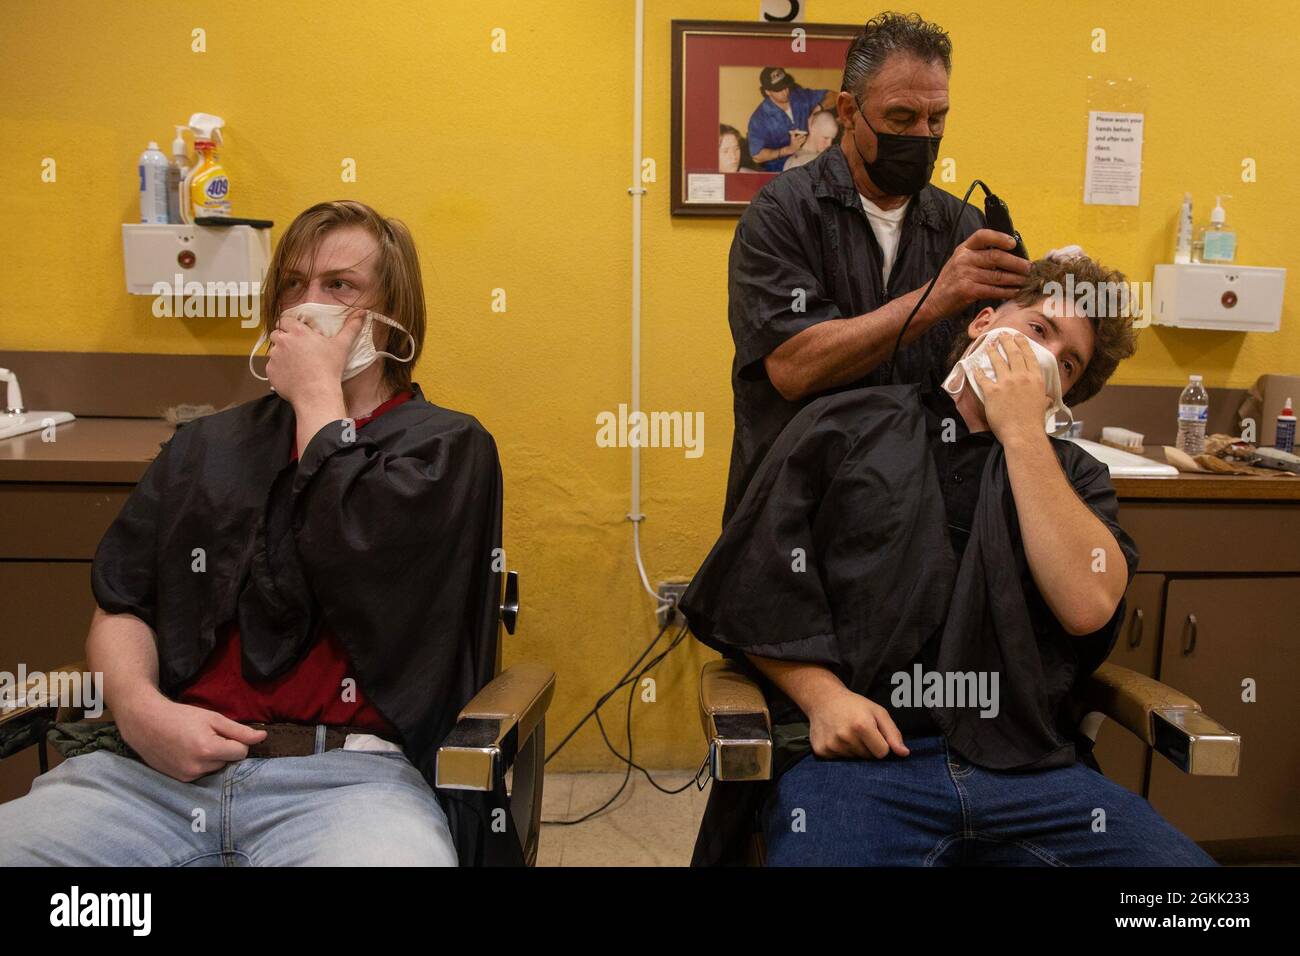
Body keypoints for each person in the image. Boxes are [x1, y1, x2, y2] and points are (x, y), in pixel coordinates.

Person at [0, 200, 502, 866]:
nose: (304, 305)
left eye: (338, 286)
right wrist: (139, 709)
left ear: (393, 316)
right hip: (155, 777)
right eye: (291, 285)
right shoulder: (209, 445)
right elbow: (124, 605)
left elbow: (355, 549)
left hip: (349, 784)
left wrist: (318, 395)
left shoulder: (445, 448)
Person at [683, 254, 1217, 867]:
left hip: (1032, 776)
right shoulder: (845, 426)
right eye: (1038, 329)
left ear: (1064, 395)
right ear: (982, 322)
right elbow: (755, 588)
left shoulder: (1076, 480)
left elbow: (1087, 605)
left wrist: (1021, 434)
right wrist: (824, 698)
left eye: (1065, 364)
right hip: (861, 767)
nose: (1043, 358)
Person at [725, 12, 1032, 525]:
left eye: (937, 120)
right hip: (798, 515)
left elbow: (1008, 360)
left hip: (920, 517)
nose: (922, 135)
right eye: (900, 117)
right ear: (848, 110)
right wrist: (936, 298)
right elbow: (793, 368)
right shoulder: (783, 214)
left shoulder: (961, 225)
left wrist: (1056, 305)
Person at [745, 66, 836, 172]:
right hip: (779, 170)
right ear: (767, 91)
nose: (785, 92)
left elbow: (833, 95)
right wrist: (787, 150)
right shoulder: (759, 119)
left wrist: (817, 108)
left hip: (808, 158)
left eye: (785, 86)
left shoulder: (800, 96)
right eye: (778, 89)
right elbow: (756, 155)